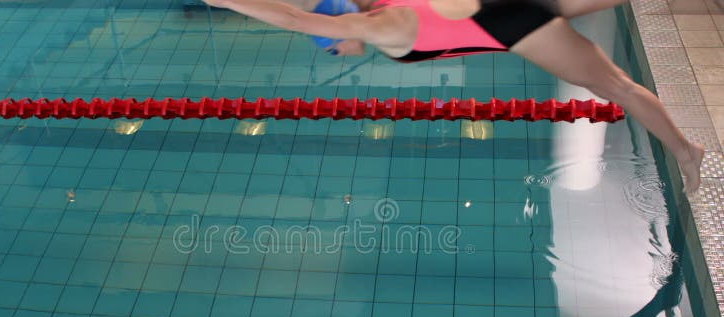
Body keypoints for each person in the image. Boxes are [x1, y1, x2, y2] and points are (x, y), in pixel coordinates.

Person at [200, 0, 706, 192]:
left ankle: (687, 153)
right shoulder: (382, 5)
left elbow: (295, 18)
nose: (339, 55)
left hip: (514, 24)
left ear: (337, 36)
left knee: (614, 86)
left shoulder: (378, 26)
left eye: (333, 51)